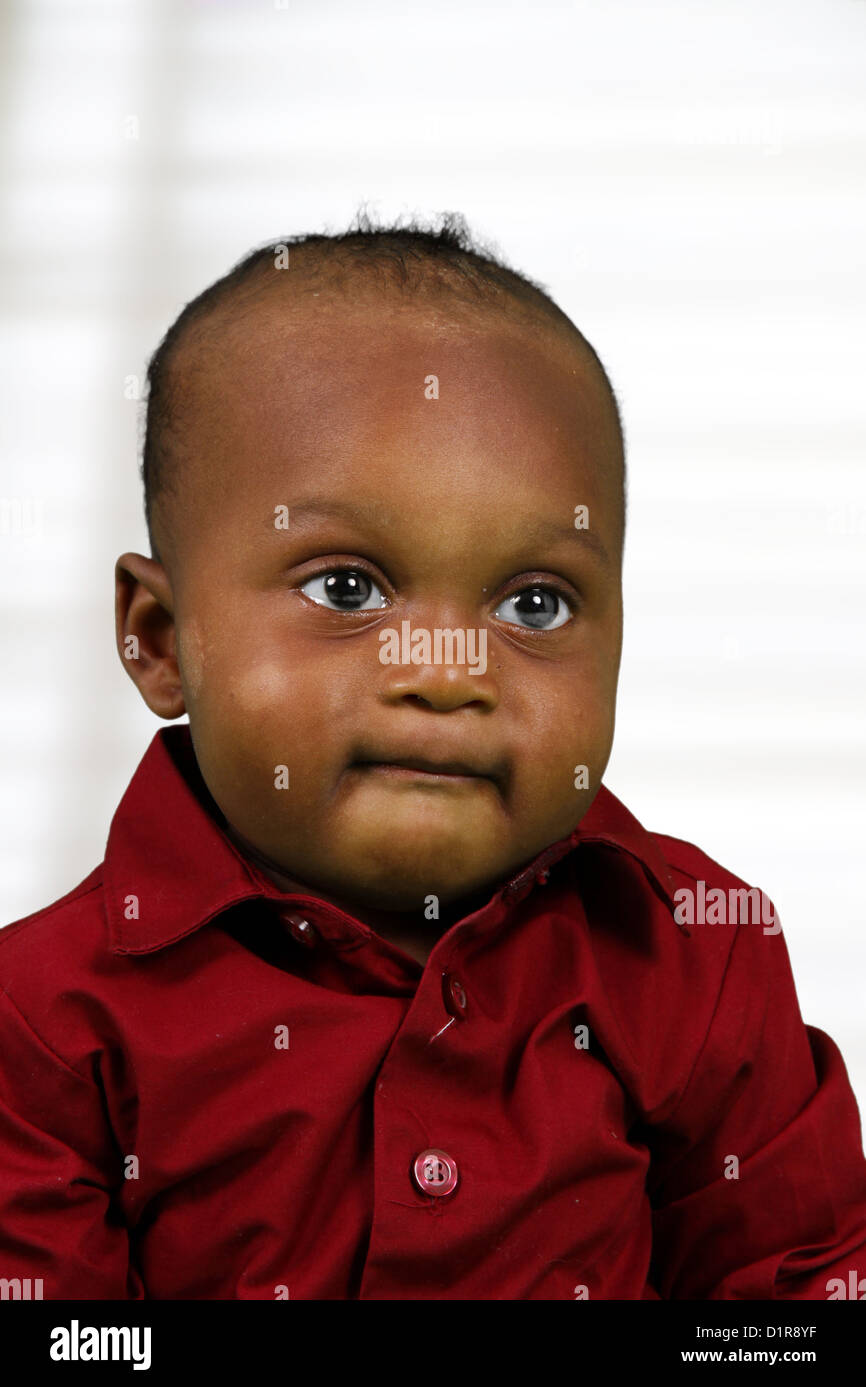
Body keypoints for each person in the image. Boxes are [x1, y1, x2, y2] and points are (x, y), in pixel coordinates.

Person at [1, 215, 864, 1300]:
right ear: (162, 640)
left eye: (533, 603)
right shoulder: (40, 1024)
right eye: (345, 589)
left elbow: (798, 1286)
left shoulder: (692, 952)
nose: (447, 669)